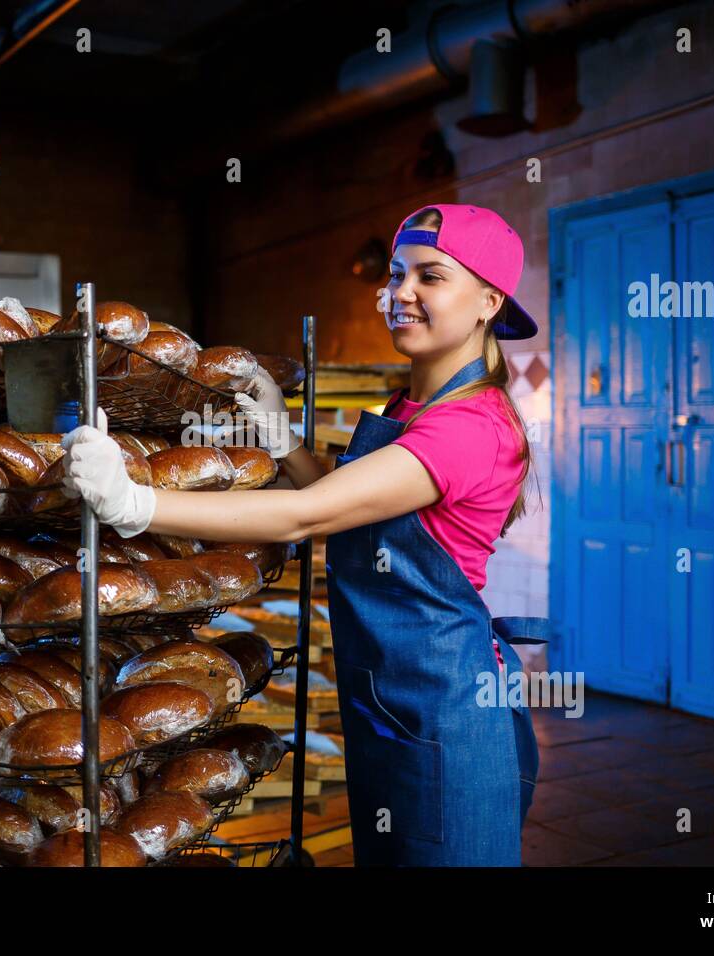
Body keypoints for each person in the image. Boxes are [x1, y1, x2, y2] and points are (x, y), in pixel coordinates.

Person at [61, 203, 549, 866]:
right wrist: (283, 440)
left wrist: (133, 502)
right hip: (398, 702)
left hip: (450, 716)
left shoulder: (469, 426)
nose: (400, 293)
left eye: (430, 277)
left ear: (489, 300)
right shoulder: (410, 409)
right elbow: (355, 501)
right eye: (398, 274)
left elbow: (310, 513)